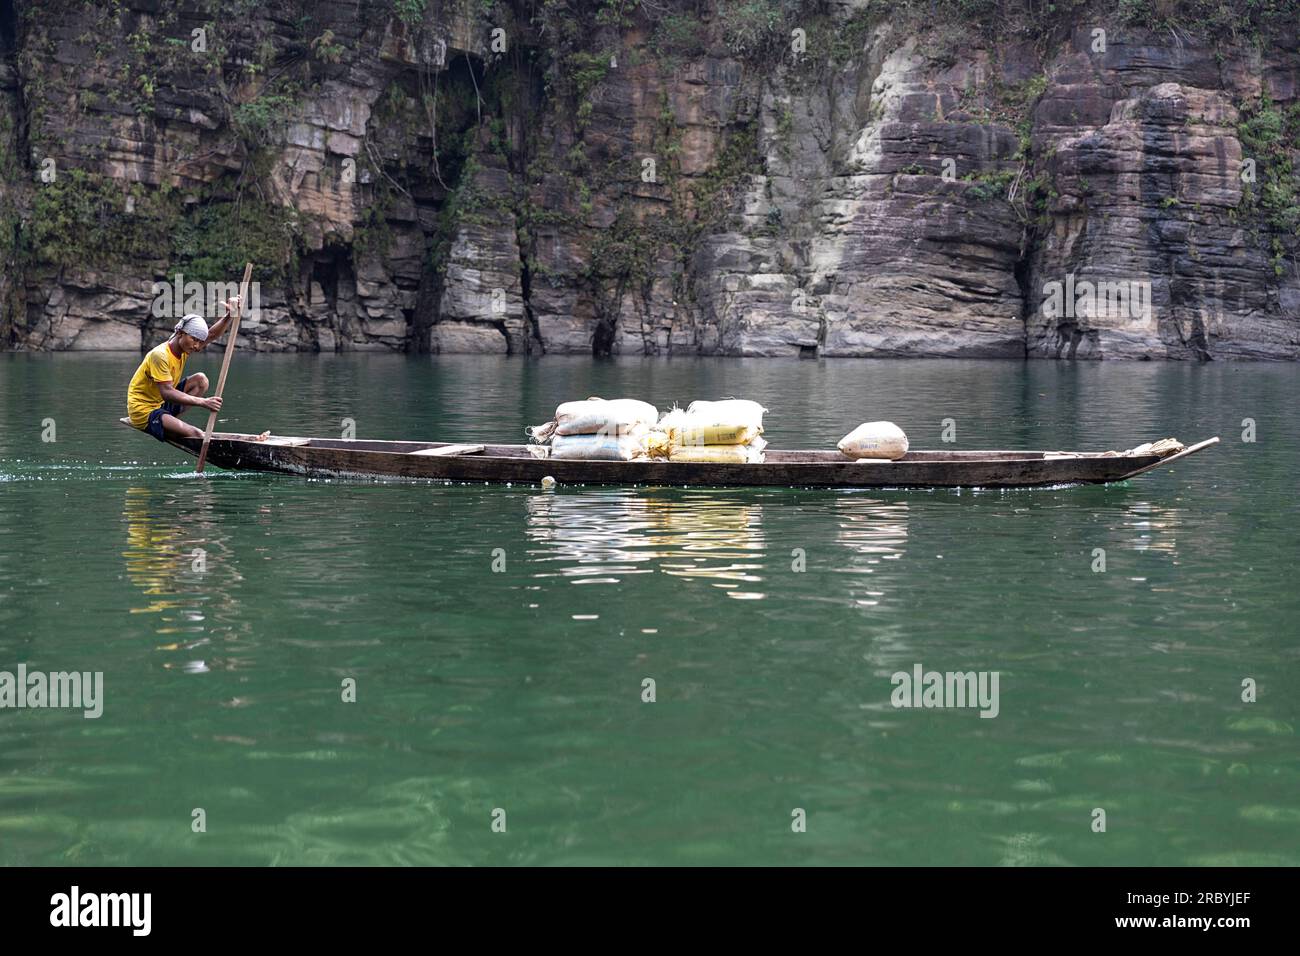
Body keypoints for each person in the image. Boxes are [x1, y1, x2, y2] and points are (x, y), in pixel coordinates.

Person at [125, 296, 267, 442]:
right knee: (197, 434)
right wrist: (203, 402)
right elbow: (167, 392)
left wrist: (230, 315)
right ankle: (168, 425)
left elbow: (211, 334)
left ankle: (169, 421)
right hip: (143, 410)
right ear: (180, 332)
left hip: (160, 403)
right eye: (195, 340)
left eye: (200, 342)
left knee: (201, 381)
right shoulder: (160, 355)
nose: (198, 347)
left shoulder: (186, 347)